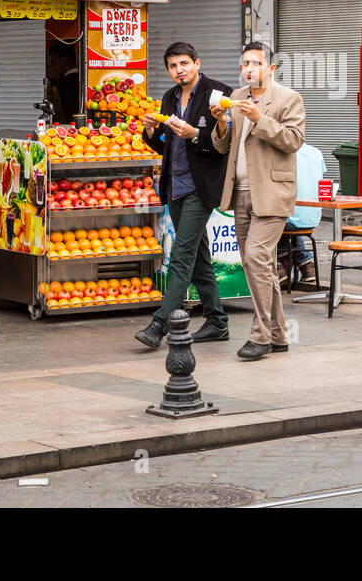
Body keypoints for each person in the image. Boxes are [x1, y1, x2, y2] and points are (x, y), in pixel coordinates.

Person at [134, 42, 233, 349]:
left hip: (199, 189)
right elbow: (166, 146)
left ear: (197, 63)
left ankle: (159, 323)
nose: (179, 70)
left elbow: (224, 142)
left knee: (181, 255)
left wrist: (196, 134)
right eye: (173, 66)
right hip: (174, 187)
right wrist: (150, 131)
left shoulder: (217, 93)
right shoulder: (169, 98)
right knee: (199, 257)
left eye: (184, 64)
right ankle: (217, 321)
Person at [210, 41, 305, 360]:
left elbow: (293, 140)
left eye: (255, 63)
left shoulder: (288, 99)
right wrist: (221, 123)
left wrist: (260, 119)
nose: (248, 69)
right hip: (239, 194)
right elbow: (225, 147)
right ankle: (279, 334)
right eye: (244, 64)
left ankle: (260, 335)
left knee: (254, 257)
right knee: (259, 263)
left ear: (271, 69)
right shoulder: (236, 98)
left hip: (273, 193)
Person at [279, 142, 326, 286]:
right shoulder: (316, 152)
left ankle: (278, 267)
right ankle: (306, 265)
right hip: (313, 216)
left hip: (292, 216)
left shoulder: (282, 153)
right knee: (293, 219)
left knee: (269, 220)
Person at [48, 41, 82, 123]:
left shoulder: (66, 83)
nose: (51, 67)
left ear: (64, 61)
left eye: (53, 62)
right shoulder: (80, 78)